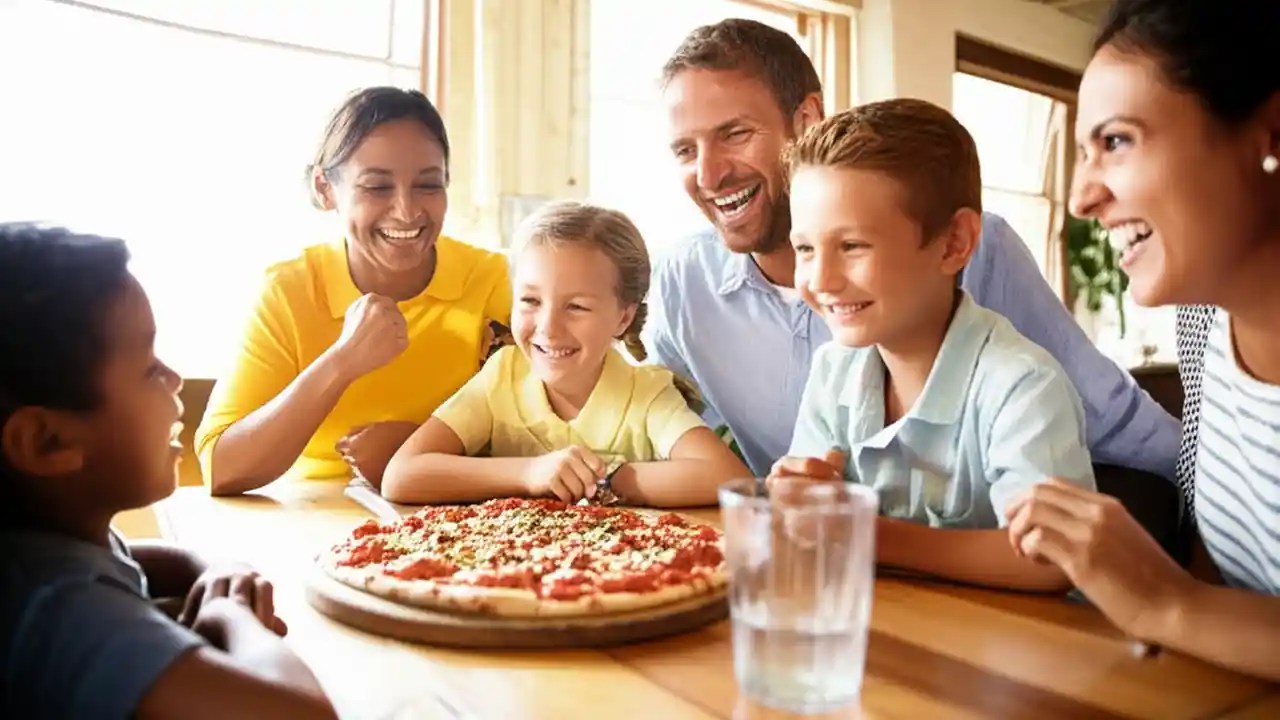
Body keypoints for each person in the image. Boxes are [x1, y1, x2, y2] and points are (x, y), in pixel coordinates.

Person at [646, 19, 1179, 482]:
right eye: (684, 150)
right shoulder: (681, 282)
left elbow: (1115, 421)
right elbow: (655, 422)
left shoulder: (974, 250)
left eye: (735, 134)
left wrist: (1222, 527)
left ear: (806, 121)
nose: (708, 174)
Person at [1006, 0, 1280, 680]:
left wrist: (1166, 603)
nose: (1080, 197)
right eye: (1080, 152)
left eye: (1117, 141)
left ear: (1270, 134)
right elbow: (1224, 573)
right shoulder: (1203, 326)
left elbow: (1186, 602)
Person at [0, 224, 335, 718]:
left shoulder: (47, 543)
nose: (175, 379)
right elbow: (303, 713)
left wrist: (210, 568)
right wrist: (230, 616)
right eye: (149, 368)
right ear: (47, 441)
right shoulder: (65, 614)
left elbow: (132, 556)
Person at [767, 101, 1094, 592]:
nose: (820, 280)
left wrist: (869, 535)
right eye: (806, 249)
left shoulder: (1022, 384)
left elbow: (1051, 560)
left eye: (853, 246)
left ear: (954, 243)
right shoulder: (833, 368)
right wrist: (799, 499)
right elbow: (809, 522)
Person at [194, 87, 511, 495]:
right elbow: (221, 469)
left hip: (461, 523)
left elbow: (531, 442)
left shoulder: (492, 280)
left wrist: (417, 452)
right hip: (309, 521)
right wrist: (342, 361)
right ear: (326, 189)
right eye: (378, 188)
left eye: (428, 185)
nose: (407, 210)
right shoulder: (288, 289)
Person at [384, 201, 750, 507]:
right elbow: (402, 476)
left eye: (575, 307)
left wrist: (601, 479)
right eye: (530, 301)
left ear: (623, 316)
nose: (548, 327)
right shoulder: (502, 376)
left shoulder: (646, 393)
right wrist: (529, 473)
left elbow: (728, 478)